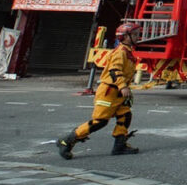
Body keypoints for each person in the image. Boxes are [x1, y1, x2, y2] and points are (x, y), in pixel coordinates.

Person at [57, 22, 141, 158]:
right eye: (135, 35)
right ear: (125, 37)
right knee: (99, 121)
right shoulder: (120, 53)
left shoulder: (127, 52)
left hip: (118, 92)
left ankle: (120, 145)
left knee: (125, 116)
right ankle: (67, 141)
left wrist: (126, 89)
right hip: (109, 92)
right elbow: (115, 71)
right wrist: (123, 86)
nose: (138, 37)